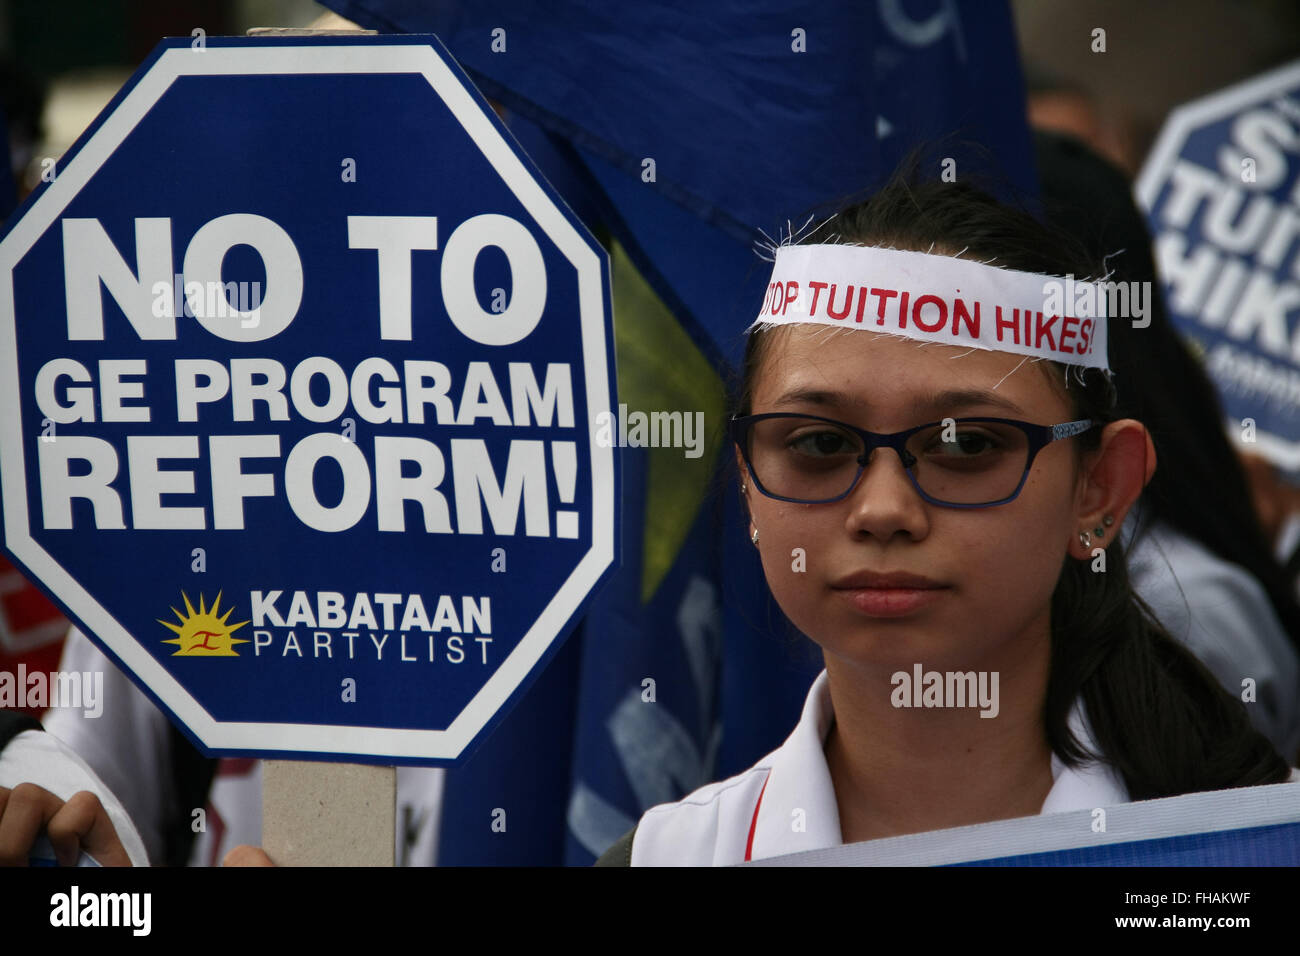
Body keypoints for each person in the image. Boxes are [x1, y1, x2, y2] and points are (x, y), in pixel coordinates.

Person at [597, 166, 1297, 866]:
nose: (883, 511)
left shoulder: (1248, 851)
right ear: (749, 477)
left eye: (966, 445)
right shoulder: (669, 858)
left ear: (1101, 491)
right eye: (819, 445)